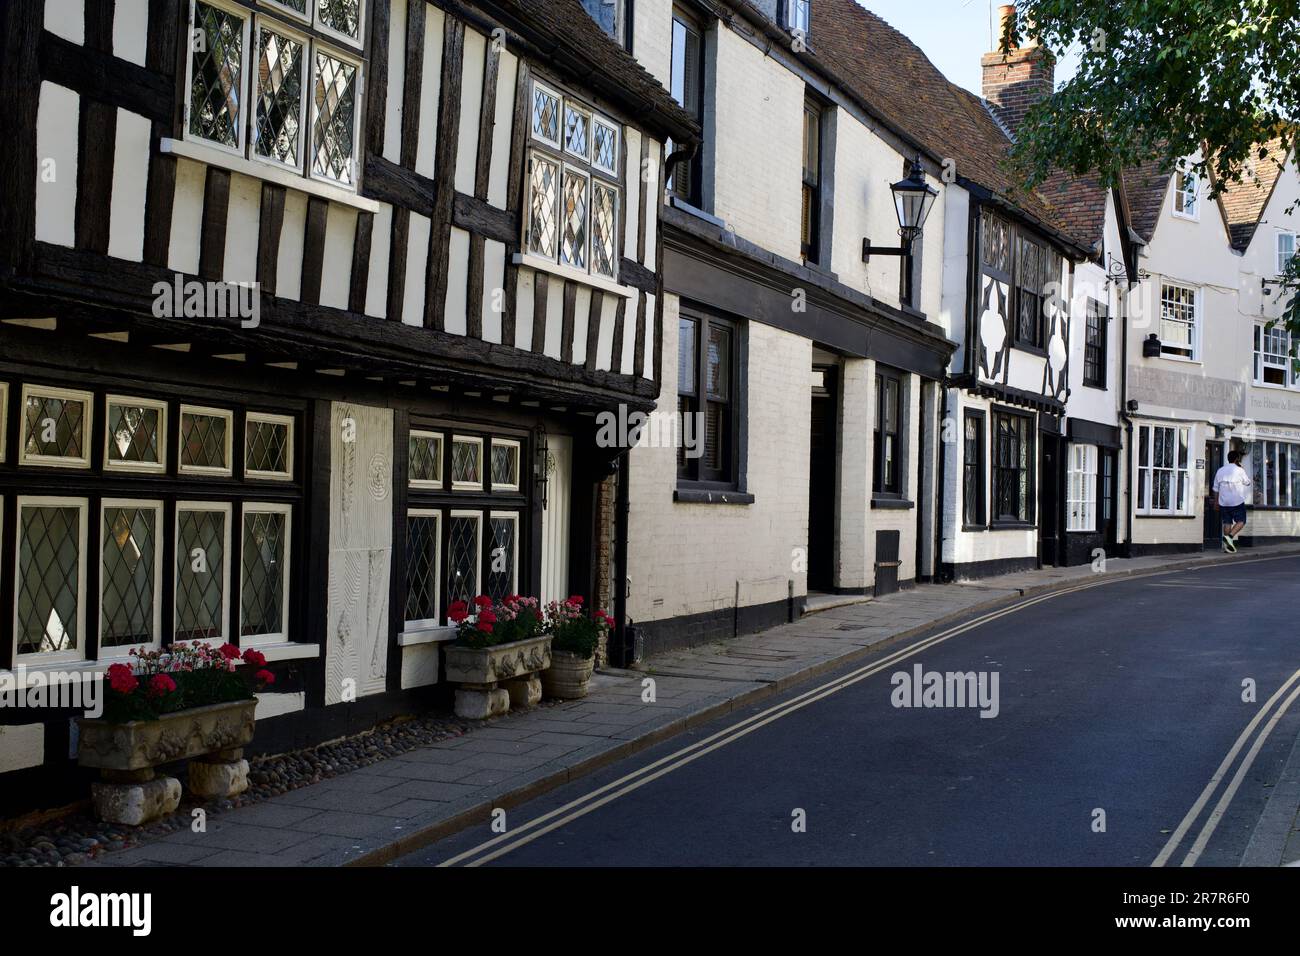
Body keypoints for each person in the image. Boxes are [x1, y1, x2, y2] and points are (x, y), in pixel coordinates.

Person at [1211, 450, 1253, 553]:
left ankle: (1227, 547)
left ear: (1228, 458)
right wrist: (1242, 468)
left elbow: (1216, 489)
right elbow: (1247, 482)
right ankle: (1230, 537)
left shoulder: (1220, 471)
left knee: (1227, 522)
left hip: (1223, 502)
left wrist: (1216, 502)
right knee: (1241, 521)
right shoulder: (1239, 470)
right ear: (1237, 459)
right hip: (1236, 501)